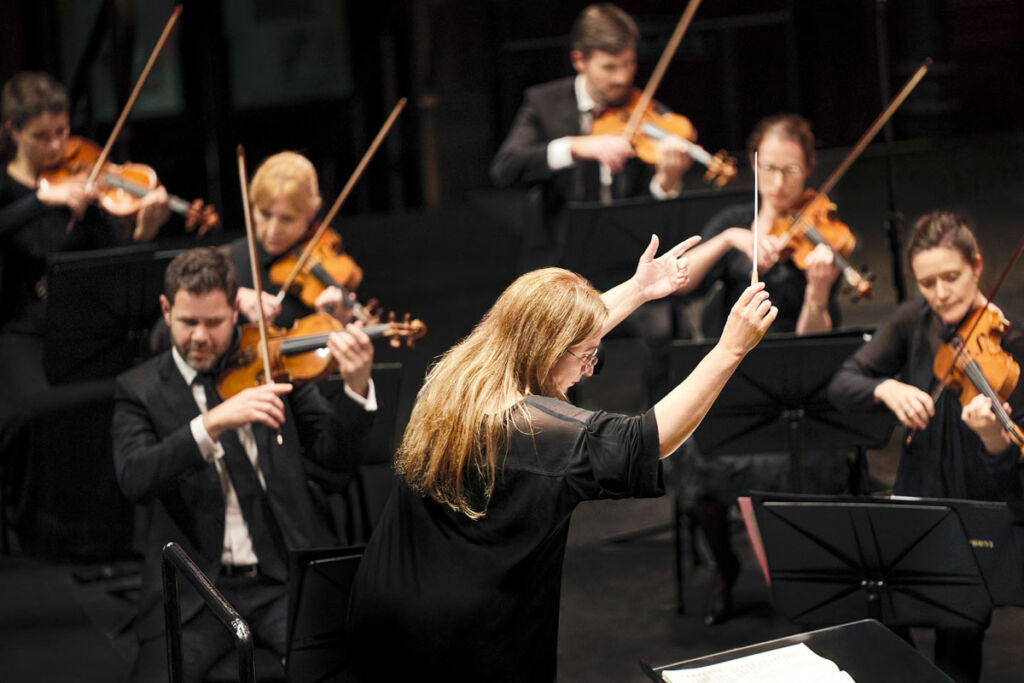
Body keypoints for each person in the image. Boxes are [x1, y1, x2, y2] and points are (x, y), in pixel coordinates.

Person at [346, 234, 777, 682]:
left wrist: (640, 289)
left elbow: (557, 332)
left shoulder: (459, 373)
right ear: (548, 350)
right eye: (588, 356)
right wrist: (731, 349)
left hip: (387, 610)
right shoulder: (536, 433)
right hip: (464, 642)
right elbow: (650, 440)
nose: (590, 369)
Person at [112, 247, 376, 683]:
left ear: (236, 310)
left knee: (344, 672)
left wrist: (356, 387)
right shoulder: (138, 389)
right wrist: (210, 425)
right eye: (187, 322)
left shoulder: (272, 364)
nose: (200, 337)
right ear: (166, 310)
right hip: (195, 594)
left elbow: (335, 462)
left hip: (281, 582)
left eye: (214, 322)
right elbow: (135, 477)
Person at [827, 210, 1024, 683]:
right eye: (927, 282)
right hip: (917, 499)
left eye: (951, 278)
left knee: (957, 643)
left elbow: (1015, 480)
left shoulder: (1011, 344)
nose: (940, 294)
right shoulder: (915, 319)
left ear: (977, 266)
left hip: (979, 513)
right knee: (876, 617)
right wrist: (885, 390)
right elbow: (842, 383)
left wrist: (994, 438)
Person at [673, 114, 848, 625]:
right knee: (701, 468)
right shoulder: (733, 218)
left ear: (810, 169)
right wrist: (731, 239)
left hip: (792, 388)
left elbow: (814, 342)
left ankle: (799, 574)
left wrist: (817, 293)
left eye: (791, 169)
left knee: (808, 467)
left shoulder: (821, 237)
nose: (778, 182)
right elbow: (681, 284)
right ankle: (725, 567)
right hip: (728, 382)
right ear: (755, 168)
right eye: (769, 168)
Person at [0, 72, 170, 549]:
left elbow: (112, 263)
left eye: (62, 132)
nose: (58, 146)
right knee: (32, 414)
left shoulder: (86, 184)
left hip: (86, 330)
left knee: (129, 396)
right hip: (23, 333)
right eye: (42, 136)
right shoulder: (10, 190)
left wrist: (144, 232)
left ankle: (115, 537)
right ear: (13, 132)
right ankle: (42, 535)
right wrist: (40, 199)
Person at [489, 2, 694, 271]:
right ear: (579, 61)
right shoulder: (543, 104)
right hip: (557, 267)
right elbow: (505, 169)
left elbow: (652, 211)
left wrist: (667, 182)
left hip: (629, 266)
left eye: (629, 64)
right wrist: (575, 146)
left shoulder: (648, 113)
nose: (623, 78)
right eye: (609, 67)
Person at [227, 151, 359, 328]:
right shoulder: (234, 258)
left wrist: (332, 326)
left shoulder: (333, 258)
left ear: (313, 211)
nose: (273, 230)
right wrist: (232, 298)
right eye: (265, 214)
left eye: (287, 219)